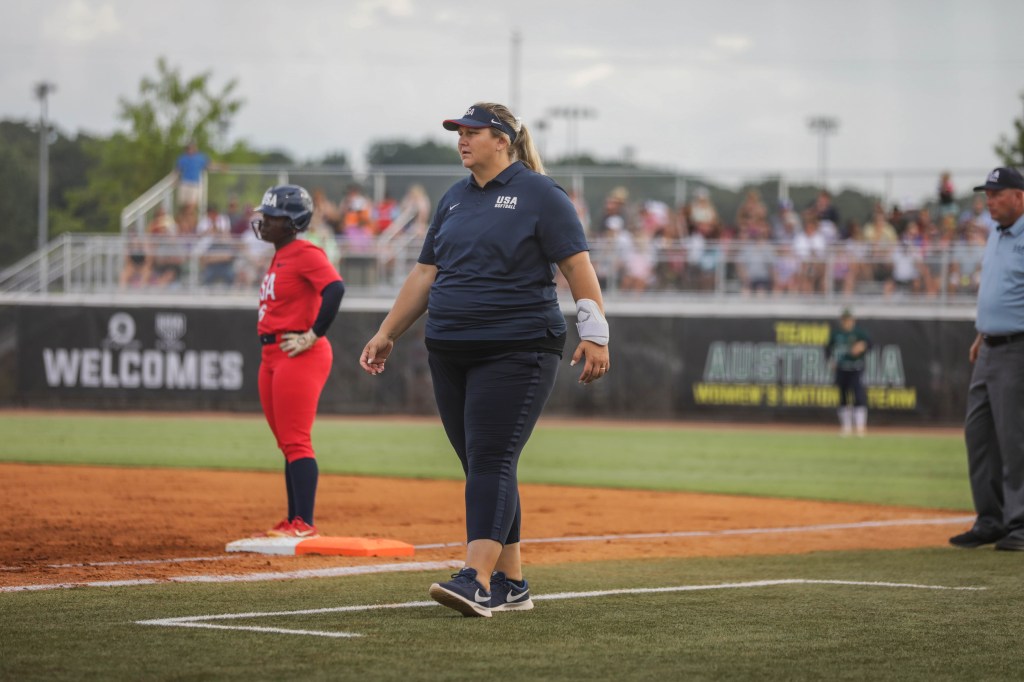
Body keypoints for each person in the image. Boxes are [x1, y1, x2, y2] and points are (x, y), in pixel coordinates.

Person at [359, 102, 610, 617]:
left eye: (473, 131)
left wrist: (596, 334)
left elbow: (577, 267)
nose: (462, 139)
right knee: (482, 463)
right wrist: (387, 332)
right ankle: (513, 584)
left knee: (491, 459)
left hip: (517, 347)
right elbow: (425, 274)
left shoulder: (542, 194)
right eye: (459, 132)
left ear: (504, 140)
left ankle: (476, 577)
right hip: (450, 348)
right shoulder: (453, 199)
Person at [252, 184, 345, 539]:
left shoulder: (305, 252)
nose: (264, 222)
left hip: (299, 352)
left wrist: (314, 333)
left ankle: (304, 523)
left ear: (292, 223)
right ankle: (292, 519)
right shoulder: (280, 254)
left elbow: (335, 289)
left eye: (272, 217)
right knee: (286, 442)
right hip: (272, 354)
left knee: (296, 440)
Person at [950, 166, 1024, 552]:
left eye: (997, 194)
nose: (989, 201)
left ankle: (1021, 522)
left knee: (1015, 439)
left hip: (1017, 348)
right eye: (987, 194)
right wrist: (982, 333)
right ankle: (991, 519)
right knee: (978, 434)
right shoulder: (997, 234)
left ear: (1019, 196)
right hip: (990, 346)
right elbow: (999, 291)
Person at [825, 308, 871, 437]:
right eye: (844, 320)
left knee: (858, 396)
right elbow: (827, 348)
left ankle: (860, 427)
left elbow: (870, 344)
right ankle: (846, 427)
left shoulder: (859, 333)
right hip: (842, 368)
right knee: (843, 397)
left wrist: (862, 346)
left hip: (856, 368)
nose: (847, 322)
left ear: (853, 320)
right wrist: (830, 361)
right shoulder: (836, 334)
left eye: (849, 320)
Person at [174, 140, 211, 209]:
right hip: (184, 182)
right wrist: (175, 180)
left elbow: (208, 165)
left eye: (192, 147)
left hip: (194, 183)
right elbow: (177, 169)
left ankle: (189, 218)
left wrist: (221, 167)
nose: (190, 149)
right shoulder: (183, 158)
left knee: (192, 204)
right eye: (189, 148)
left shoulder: (200, 157)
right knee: (183, 204)